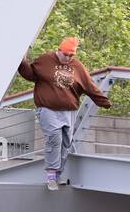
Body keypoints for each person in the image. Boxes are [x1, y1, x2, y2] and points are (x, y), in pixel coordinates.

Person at [18, 36, 112, 190]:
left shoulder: (77, 67)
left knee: (65, 143)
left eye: (71, 55)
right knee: (54, 138)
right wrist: (21, 62)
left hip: (69, 110)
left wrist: (103, 101)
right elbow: (30, 74)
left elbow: (89, 86)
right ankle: (50, 176)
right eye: (65, 54)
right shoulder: (45, 60)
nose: (68, 58)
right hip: (48, 109)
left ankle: (57, 175)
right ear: (59, 50)